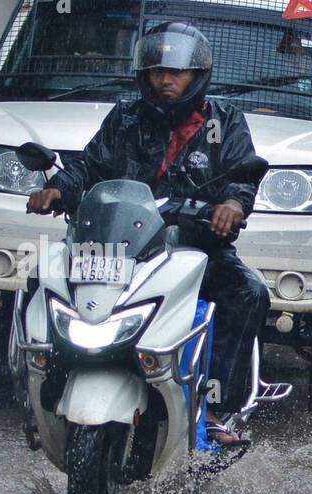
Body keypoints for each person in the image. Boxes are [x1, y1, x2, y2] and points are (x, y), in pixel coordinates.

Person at [27, 22, 268, 446]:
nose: (166, 80)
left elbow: (241, 175)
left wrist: (232, 205)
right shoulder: (125, 117)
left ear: (199, 75)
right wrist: (58, 189)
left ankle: (215, 410)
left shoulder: (224, 121)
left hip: (193, 248)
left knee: (249, 292)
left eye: (177, 72)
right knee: (40, 277)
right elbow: (89, 166)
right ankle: (42, 388)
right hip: (122, 249)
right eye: (157, 71)